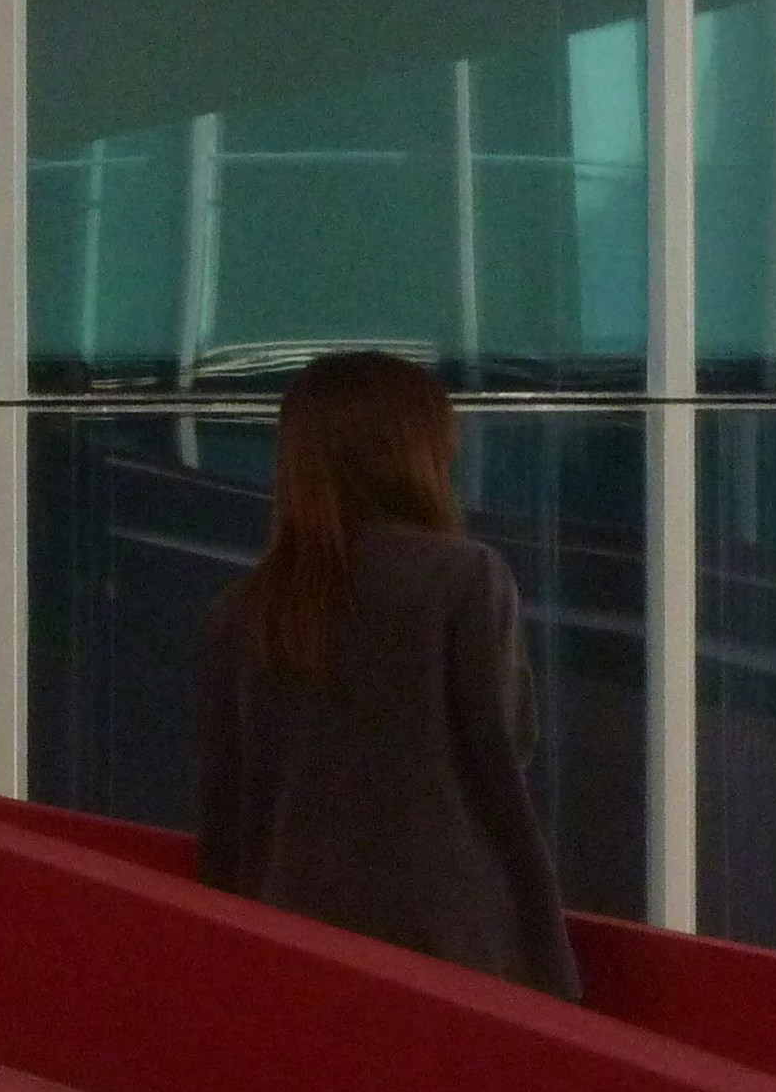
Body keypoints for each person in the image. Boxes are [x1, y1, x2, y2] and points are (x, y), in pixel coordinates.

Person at [195, 351, 581, 1000]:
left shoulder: (243, 613)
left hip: (291, 953)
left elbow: (227, 812)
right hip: (456, 948)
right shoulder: (462, 578)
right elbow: (506, 745)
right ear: (414, 454)